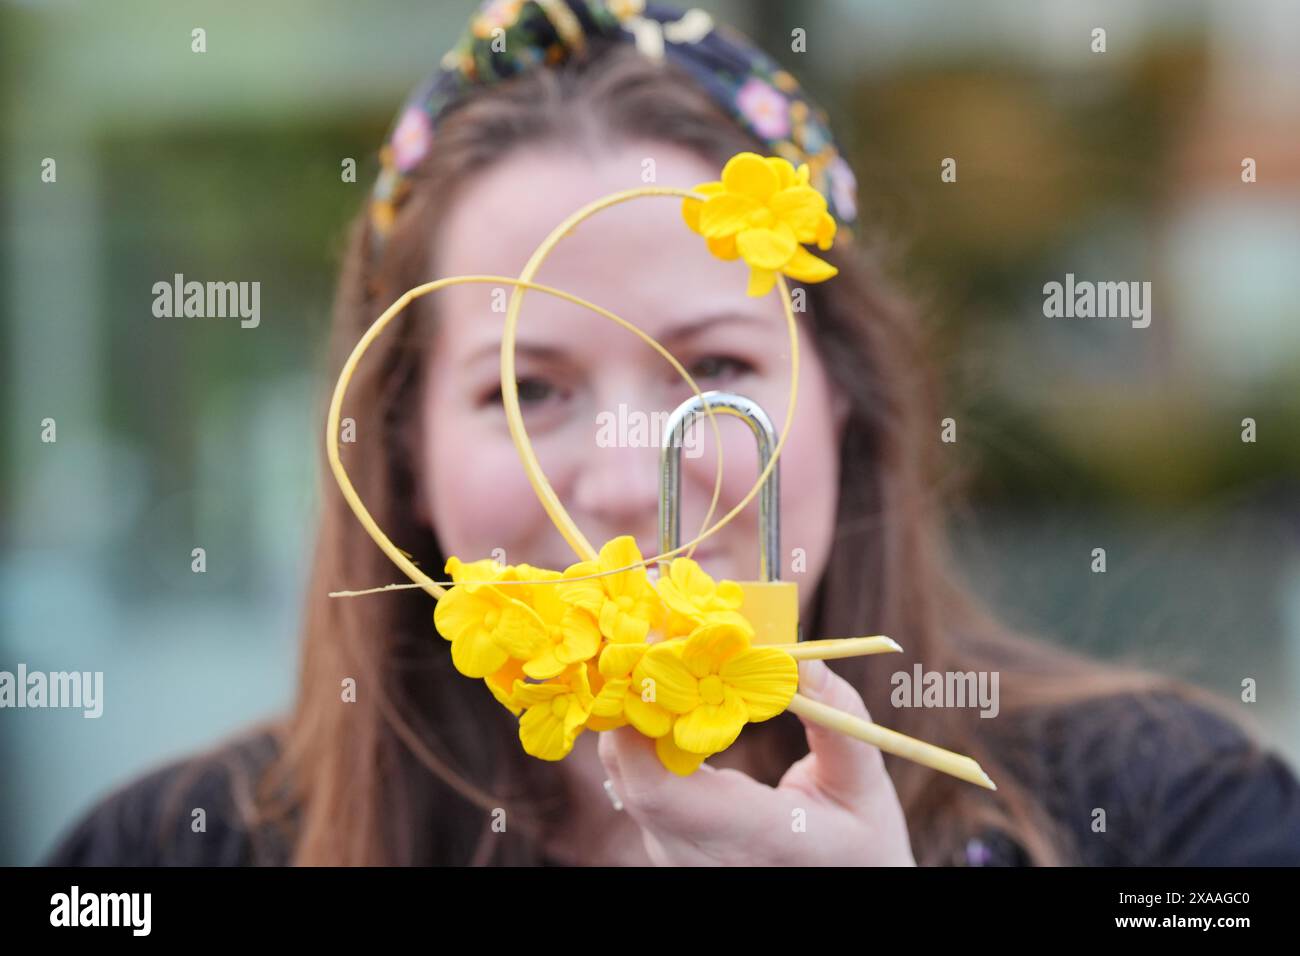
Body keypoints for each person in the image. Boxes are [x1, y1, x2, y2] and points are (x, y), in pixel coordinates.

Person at [45, 0, 1300, 867]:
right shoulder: (164, 851)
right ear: (405, 450)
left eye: (712, 364)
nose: (622, 479)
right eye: (524, 390)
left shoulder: (1172, 810)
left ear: (843, 399)